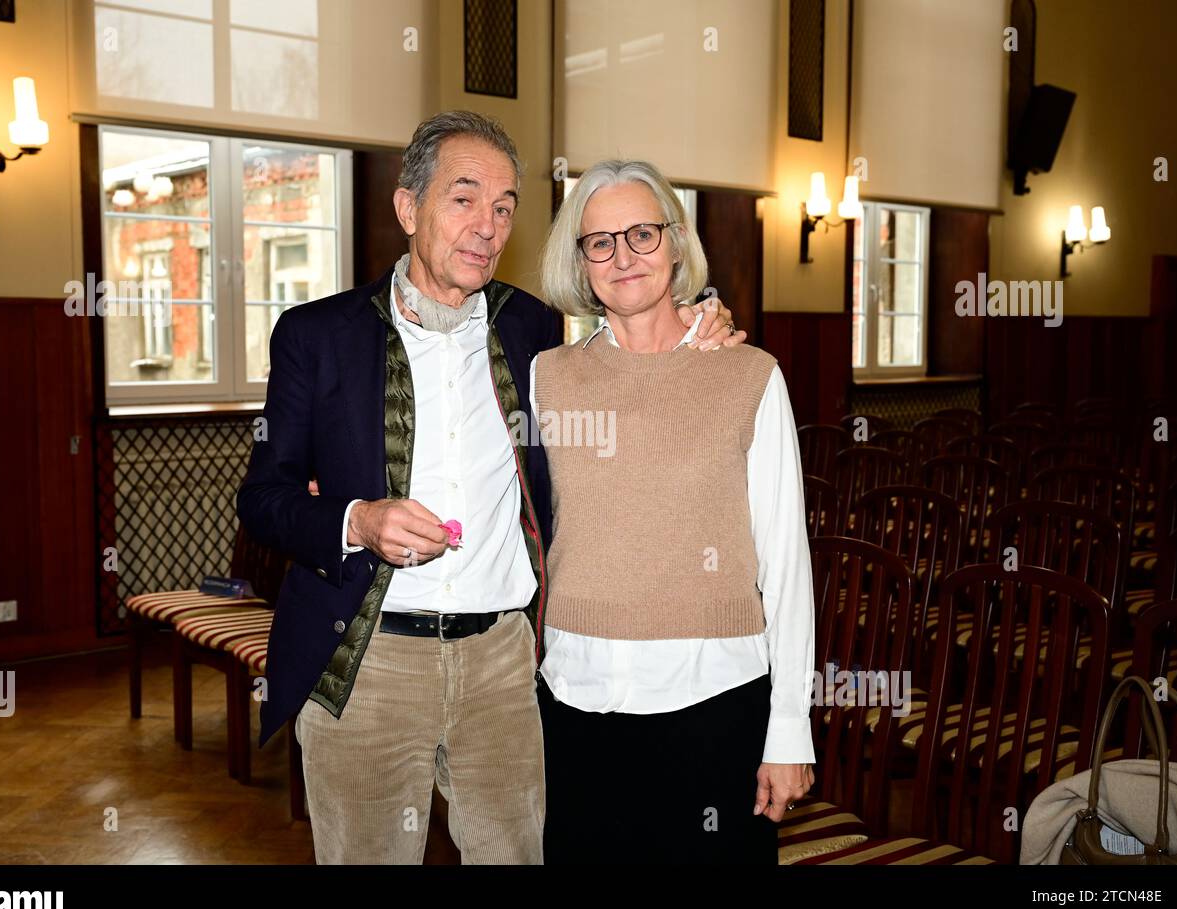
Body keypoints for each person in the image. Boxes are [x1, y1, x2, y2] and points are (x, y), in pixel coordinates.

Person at [236, 112, 743, 864]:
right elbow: (263, 498)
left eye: (505, 206)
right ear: (409, 209)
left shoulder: (534, 330)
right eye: (464, 199)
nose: (488, 225)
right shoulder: (319, 335)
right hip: (370, 661)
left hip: (504, 665)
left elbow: (636, 353)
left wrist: (703, 324)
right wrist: (358, 519)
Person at [531, 158, 816, 864]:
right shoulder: (546, 378)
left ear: (678, 242)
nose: (623, 257)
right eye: (600, 241)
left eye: (643, 235)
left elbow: (786, 563)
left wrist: (790, 730)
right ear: (581, 261)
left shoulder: (751, 376)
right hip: (575, 707)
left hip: (716, 709)